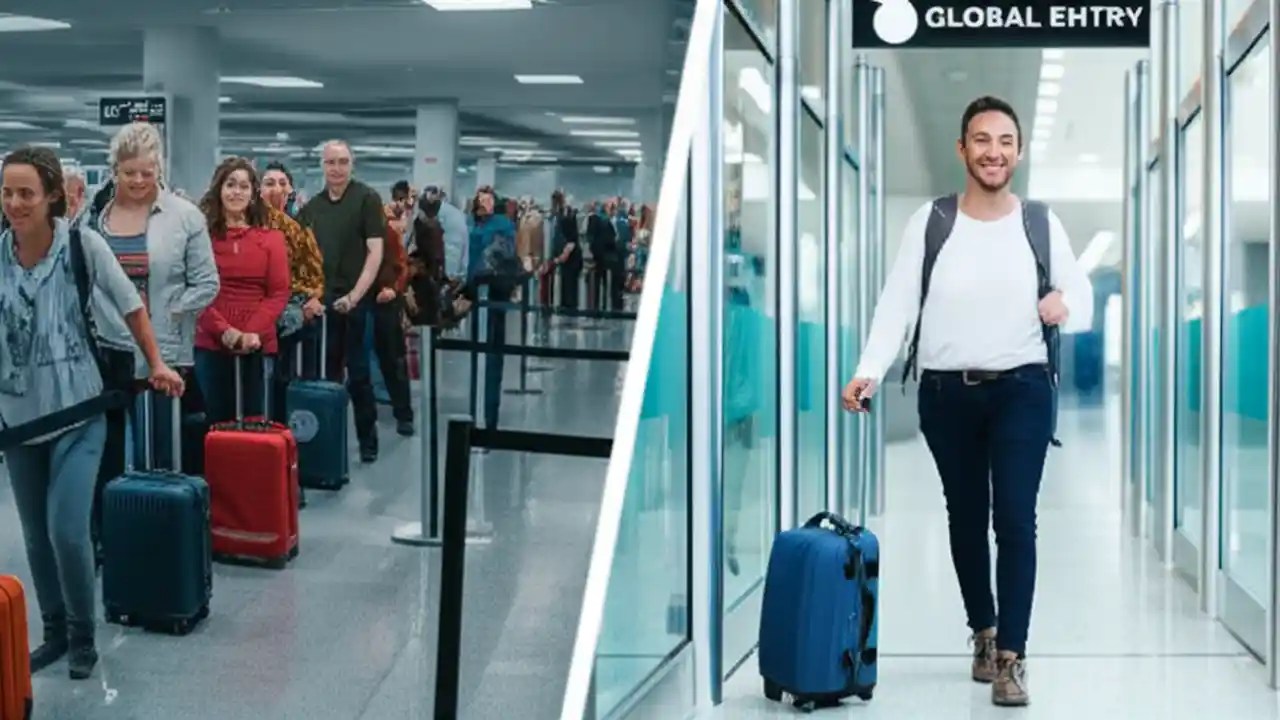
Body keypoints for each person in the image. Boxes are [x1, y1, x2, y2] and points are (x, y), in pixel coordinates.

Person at [841, 96, 1093, 708]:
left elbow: (1079, 292)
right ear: (962, 149)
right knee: (964, 516)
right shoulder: (933, 221)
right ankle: (982, 629)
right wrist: (869, 369)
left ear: (1019, 151)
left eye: (1006, 141)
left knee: (1014, 517)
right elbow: (898, 303)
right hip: (945, 392)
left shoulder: (1039, 221)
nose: (994, 152)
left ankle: (1012, 655)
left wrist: (1065, 304)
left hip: (1024, 389)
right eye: (982, 140)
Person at [0, 145, 183, 680]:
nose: (14, 202)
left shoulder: (84, 246)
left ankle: (83, 633)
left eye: (26, 193)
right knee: (34, 535)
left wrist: (156, 363)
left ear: (53, 195)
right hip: (17, 419)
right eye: (7, 192)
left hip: (79, 410)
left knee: (67, 529)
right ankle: (54, 631)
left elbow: (131, 305)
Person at [84, 121, 219, 558]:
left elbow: (207, 282)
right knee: (106, 451)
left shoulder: (185, 216)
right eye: (130, 172)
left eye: (147, 171)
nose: (139, 181)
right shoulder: (93, 218)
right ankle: (110, 539)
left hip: (165, 348)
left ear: (159, 167)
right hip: (107, 350)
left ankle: (162, 539)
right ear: (115, 171)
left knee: (165, 450)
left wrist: (171, 310)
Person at [296, 140, 386, 463]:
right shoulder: (312, 209)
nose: (337, 168)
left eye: (343, 162)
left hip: (355, 301)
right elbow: (302, 258)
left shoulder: (367, 200)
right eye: (331, 162)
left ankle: (368, 441)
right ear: (322, 166)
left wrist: (355, 296)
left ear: (352, 164)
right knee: (325, 377)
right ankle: (328, 446)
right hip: (322, 304)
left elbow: (376, 253)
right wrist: (311, 296)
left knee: (359, 375)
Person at [193, 158, 291, 422]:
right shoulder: (201, 239)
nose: (236, 192)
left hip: (257, 344)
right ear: (219, 190)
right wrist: (226, 333)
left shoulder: (272, 240)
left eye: (244, 186)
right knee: (216, 424)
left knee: (255, 424)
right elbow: (196, 290)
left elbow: (279, 292)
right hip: (212, 341)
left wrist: (248, 334)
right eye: (230, 185)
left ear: (252, 194)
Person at [260, 161, 326, 415]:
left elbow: (314, 274)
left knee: (282, 382)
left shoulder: (300, 232)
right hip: (252, 313)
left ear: (290, 191)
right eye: (269, 183)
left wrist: (312, 298)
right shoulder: (246, 227)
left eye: (281, 183)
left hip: (287, 318)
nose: (276, 189)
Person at [465, 185, 518, 430]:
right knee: (478, 354)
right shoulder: (473, 224)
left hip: (494, 295)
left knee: (492, 355)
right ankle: (476, 410)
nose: (484, 203)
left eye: (488, 199)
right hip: (476, 295)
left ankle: (489, 416)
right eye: (481, 199)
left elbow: (502, 255)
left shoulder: (502, 225)